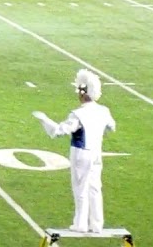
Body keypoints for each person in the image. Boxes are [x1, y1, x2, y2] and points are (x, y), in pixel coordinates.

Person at [33, 69, 116, 234]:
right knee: (95, 188)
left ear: (82, 93)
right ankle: (97, 224)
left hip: (81, 152)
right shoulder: (104, 110)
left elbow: (59, 131)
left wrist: (44, 120)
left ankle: (80, 223)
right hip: (96, 153)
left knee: (80, 189)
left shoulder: (78, 114)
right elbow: (111, 127)